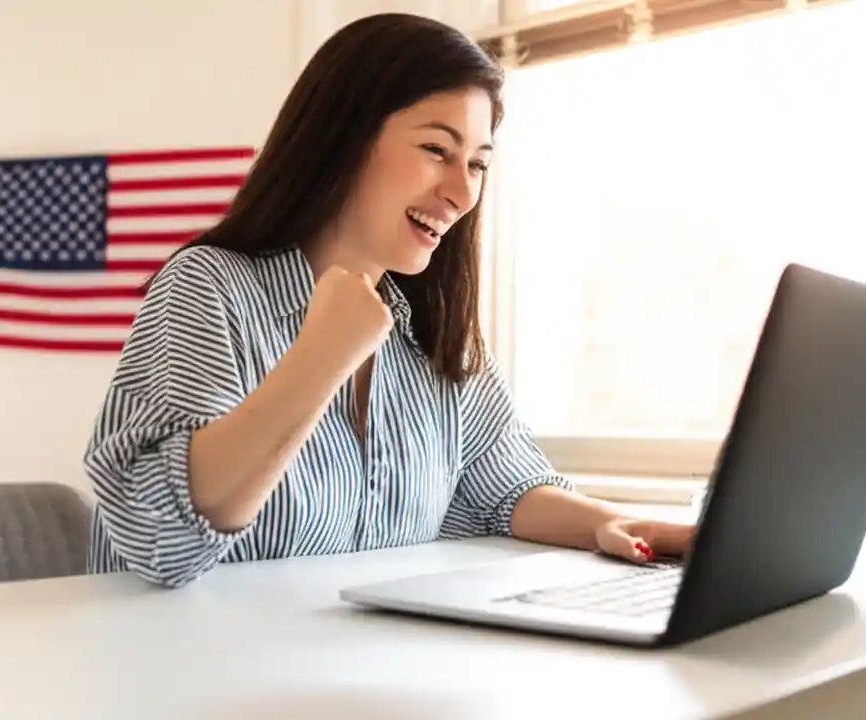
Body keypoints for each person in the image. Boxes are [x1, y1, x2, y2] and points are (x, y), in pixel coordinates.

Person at [82, 12, 695, 588]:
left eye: (477, 164)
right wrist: (321, 357)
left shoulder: (429, 331)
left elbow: (503, 484)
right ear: (343, 138)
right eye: (437, 150)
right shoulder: (209, 287)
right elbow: (158, 536)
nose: (461, 191)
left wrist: (608, 523)